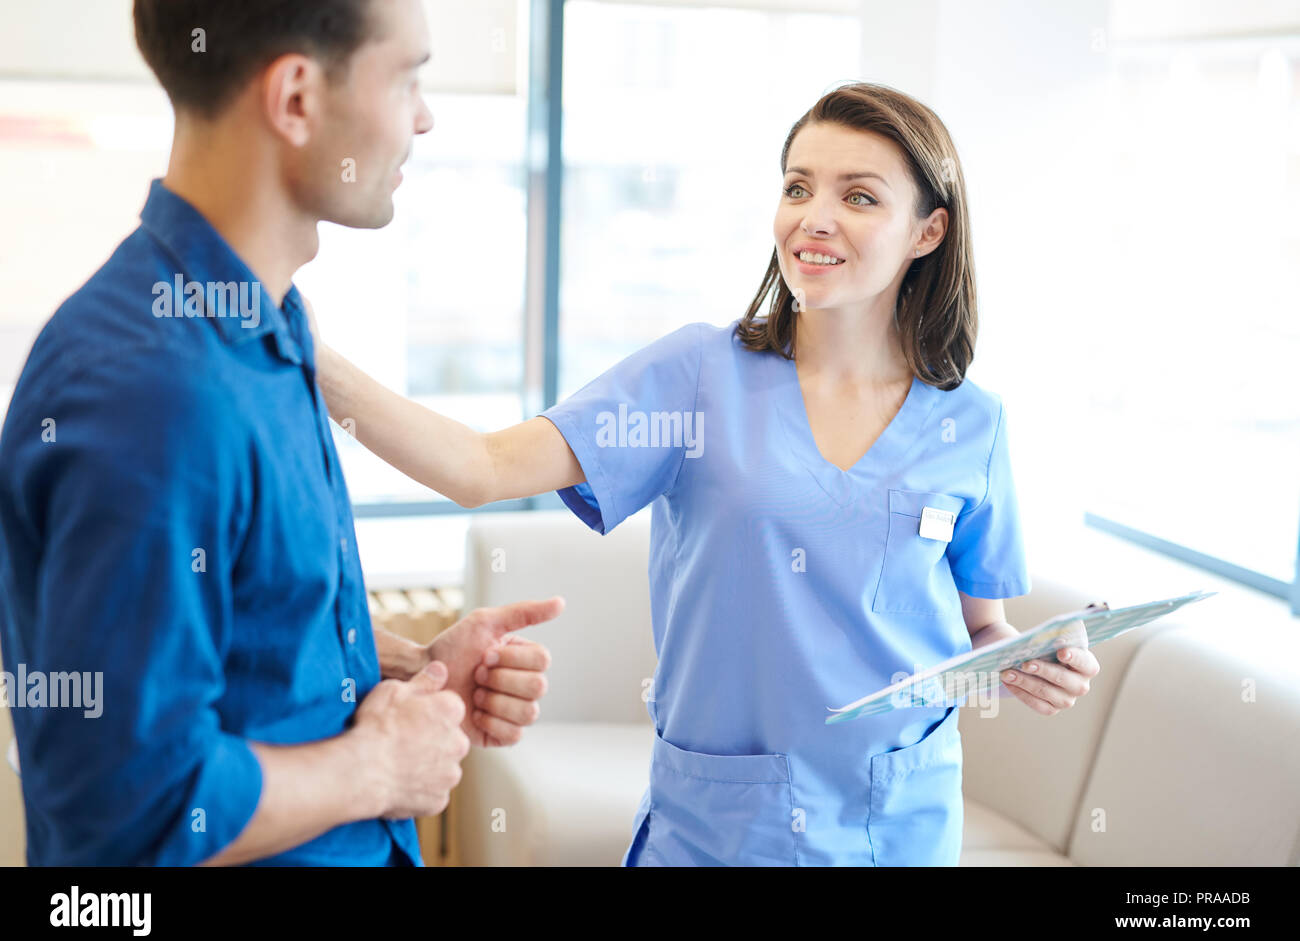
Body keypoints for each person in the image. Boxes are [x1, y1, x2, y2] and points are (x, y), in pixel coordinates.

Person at [314, 82, 1102, 866]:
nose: (813, 217)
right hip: (724, 831)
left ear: (928, 232)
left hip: (901, 827)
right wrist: (305, 352)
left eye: (858, 196)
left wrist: (1018, 662)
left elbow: (978, 632)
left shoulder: (973, 422)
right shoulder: (697, 376)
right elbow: (479, 467)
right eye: (798, 186)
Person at [0, 0, 558, 866]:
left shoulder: (273, 326)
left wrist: (412, 669)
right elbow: (129, 814)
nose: (424, 116)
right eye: (406, 76)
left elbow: (245, 626)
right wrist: (378, 767)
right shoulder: (150, 389)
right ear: (296, 99)